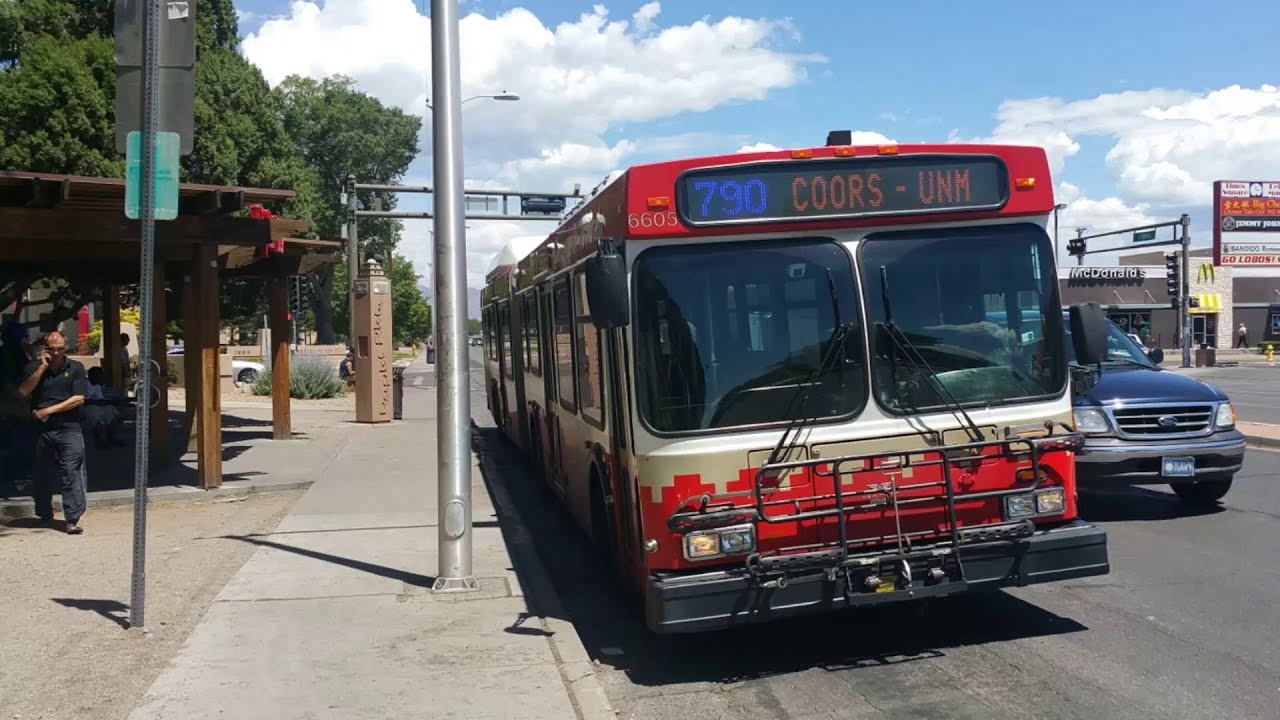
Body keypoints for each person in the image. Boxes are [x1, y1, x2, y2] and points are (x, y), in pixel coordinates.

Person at [17, 331, 89, 534]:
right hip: (41, 429)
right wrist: (42, 367)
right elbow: (23, 392)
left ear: (66, 348)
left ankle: (72, 519)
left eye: (60, 348)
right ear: (45, 348)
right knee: (40, 472)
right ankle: (44, 513)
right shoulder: (33, 368)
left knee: (70, 471)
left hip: (68, 427)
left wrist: (48, 410)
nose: (55, 352)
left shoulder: (75, 368)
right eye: (51, 348)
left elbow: (78, 398)